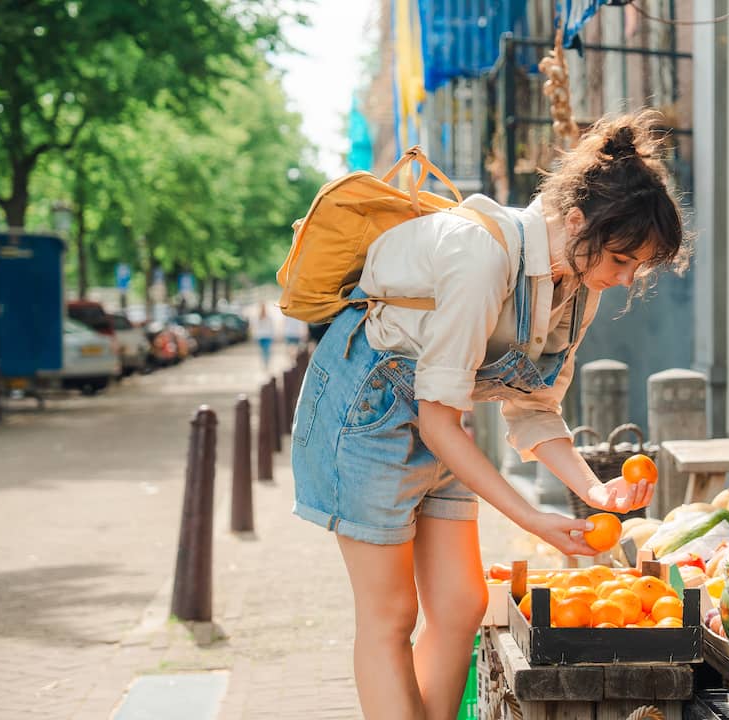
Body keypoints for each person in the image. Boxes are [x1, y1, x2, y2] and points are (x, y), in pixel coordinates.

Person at [289, 110, 689, 720]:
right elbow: (437, 421)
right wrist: (530, 516)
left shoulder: (575, 286)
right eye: (621, 259)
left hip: (437, 417)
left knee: (460, 605)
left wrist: (593, 489)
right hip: (365, 410)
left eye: (639, 267)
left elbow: (534, 408)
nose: (626, 278)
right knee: (391, 613)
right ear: (577, 222)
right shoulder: (482, 257)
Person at [253, 303, 274, 369]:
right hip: (261, 336)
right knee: (263, 351)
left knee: (266, 351)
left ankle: (266, 363)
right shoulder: (258, 317)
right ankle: (265, 363)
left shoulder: (268, 317)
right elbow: (256, 327)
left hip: (267, 336)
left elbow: (271, 327)